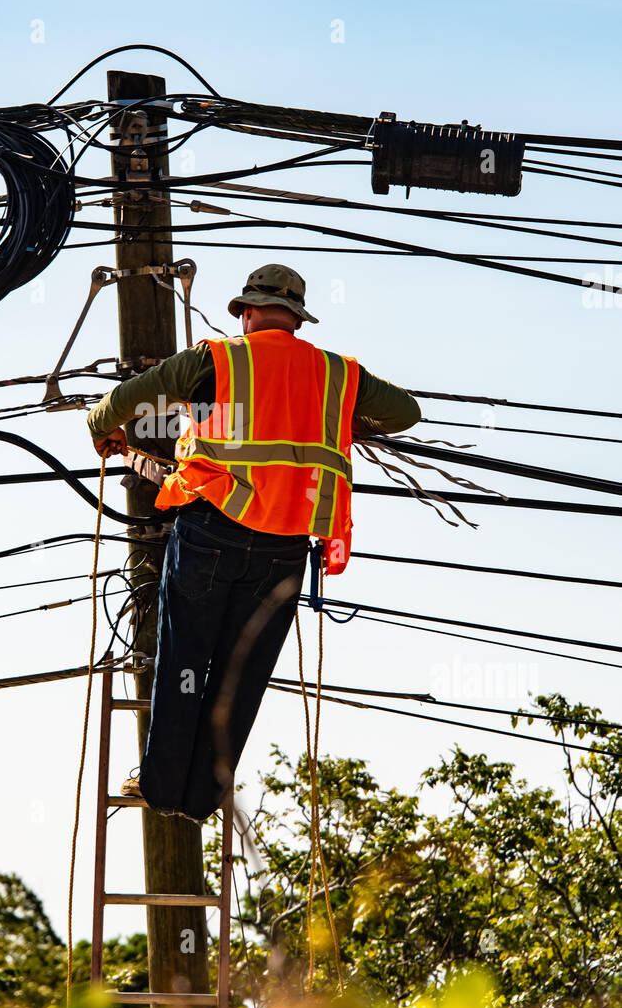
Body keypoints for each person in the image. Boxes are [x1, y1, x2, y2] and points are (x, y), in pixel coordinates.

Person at [87, 264, 421, 822]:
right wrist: (343, 419)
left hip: (211, 534)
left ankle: (162, 784)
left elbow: (124, 401)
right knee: (240, 680)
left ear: (245, 311)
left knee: (184, 661)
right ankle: (200, 799)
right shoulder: (336, 375)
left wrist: (106, 428)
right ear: (297, 318)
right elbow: (406, 413)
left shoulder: (217, 360)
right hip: (284, 552)